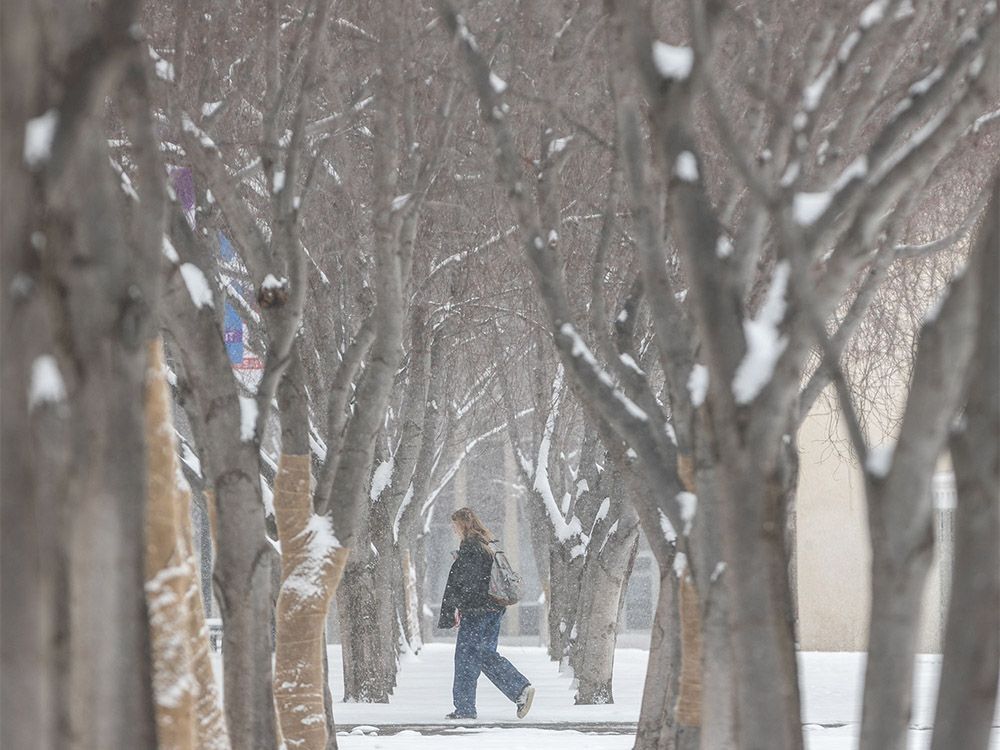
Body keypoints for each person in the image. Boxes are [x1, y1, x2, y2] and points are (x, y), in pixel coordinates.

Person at [438, 507, 535, 720]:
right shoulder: (485, 544)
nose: (454, 530)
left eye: (455, 525)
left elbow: (470, 584)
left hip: (477, 612)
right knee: (484, 655)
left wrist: (460, 607)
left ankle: (466, 708)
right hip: (493, 610)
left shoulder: (471, 547)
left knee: (465, 659)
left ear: (462, 524)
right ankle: (519, 690)